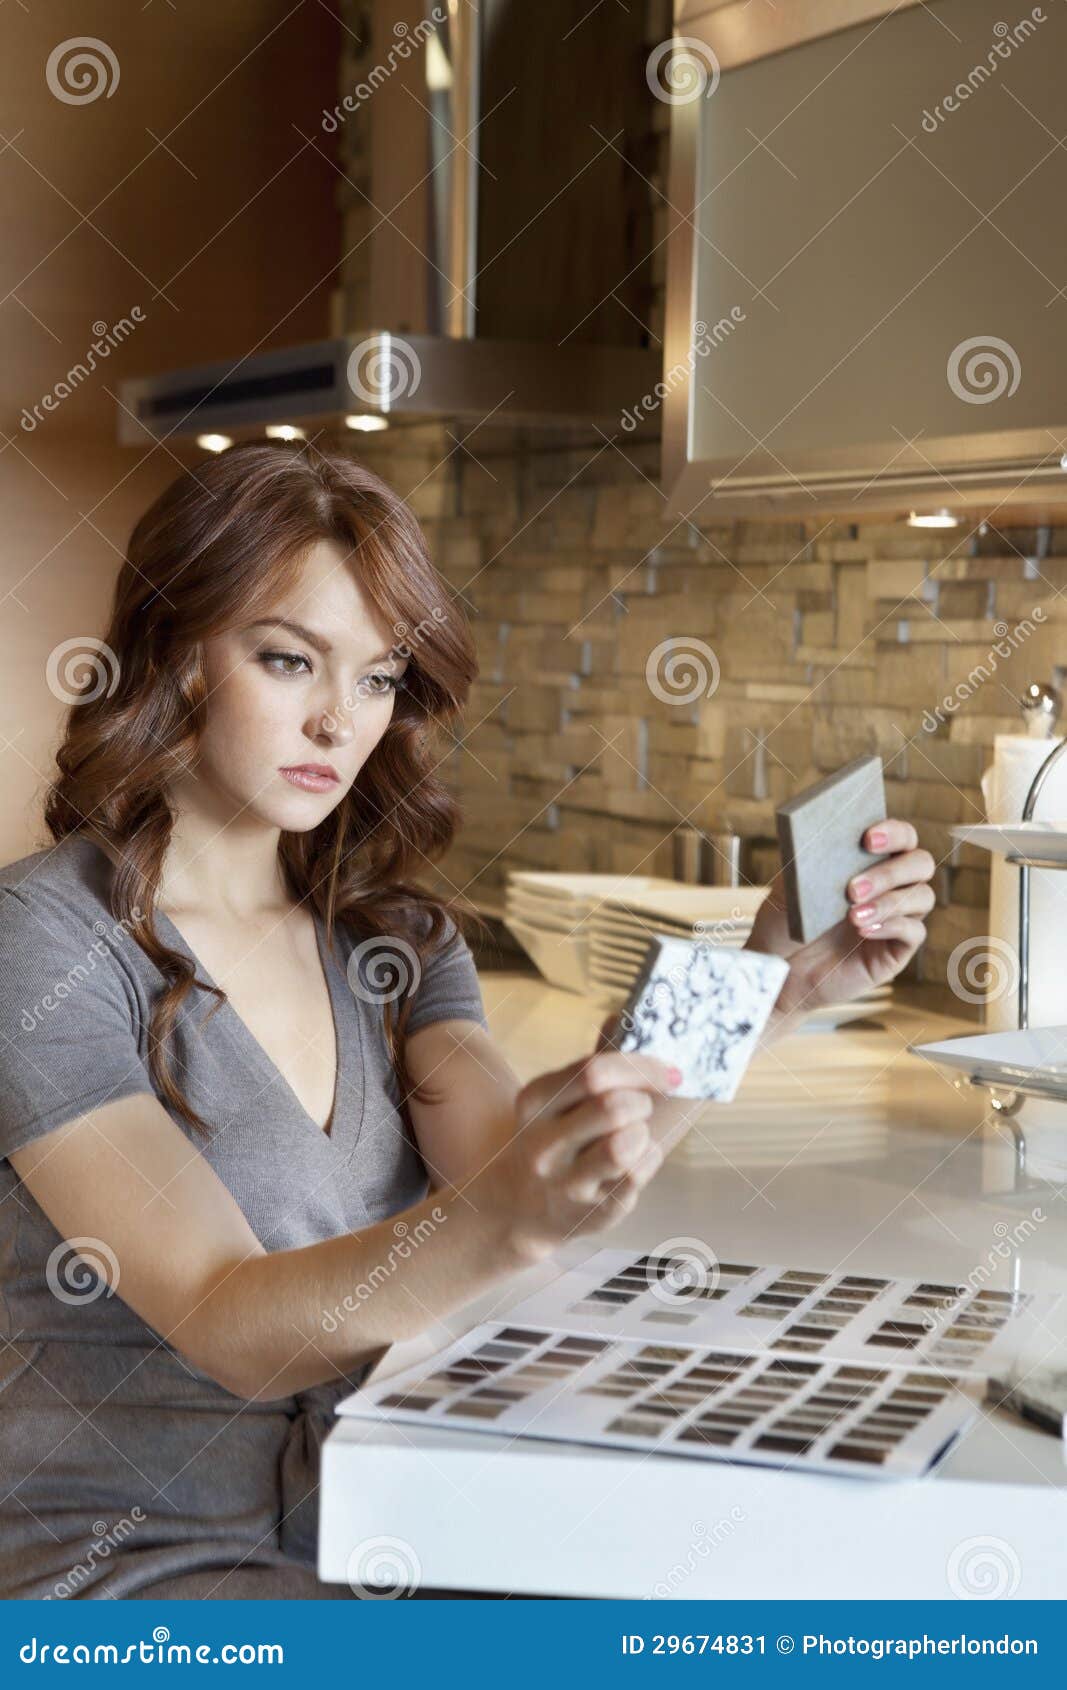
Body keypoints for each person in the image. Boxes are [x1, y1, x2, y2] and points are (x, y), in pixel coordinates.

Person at [0, 443, 935, 1599]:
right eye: (288, 660)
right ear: (173, 653)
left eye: (378, 678)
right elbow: (221, 1314)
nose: (339, 722)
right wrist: (506, 1211)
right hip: (131, 1576)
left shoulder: (391, 937)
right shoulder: (44, 944)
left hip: (379, 1526)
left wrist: (773, 984)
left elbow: (521, 1167)